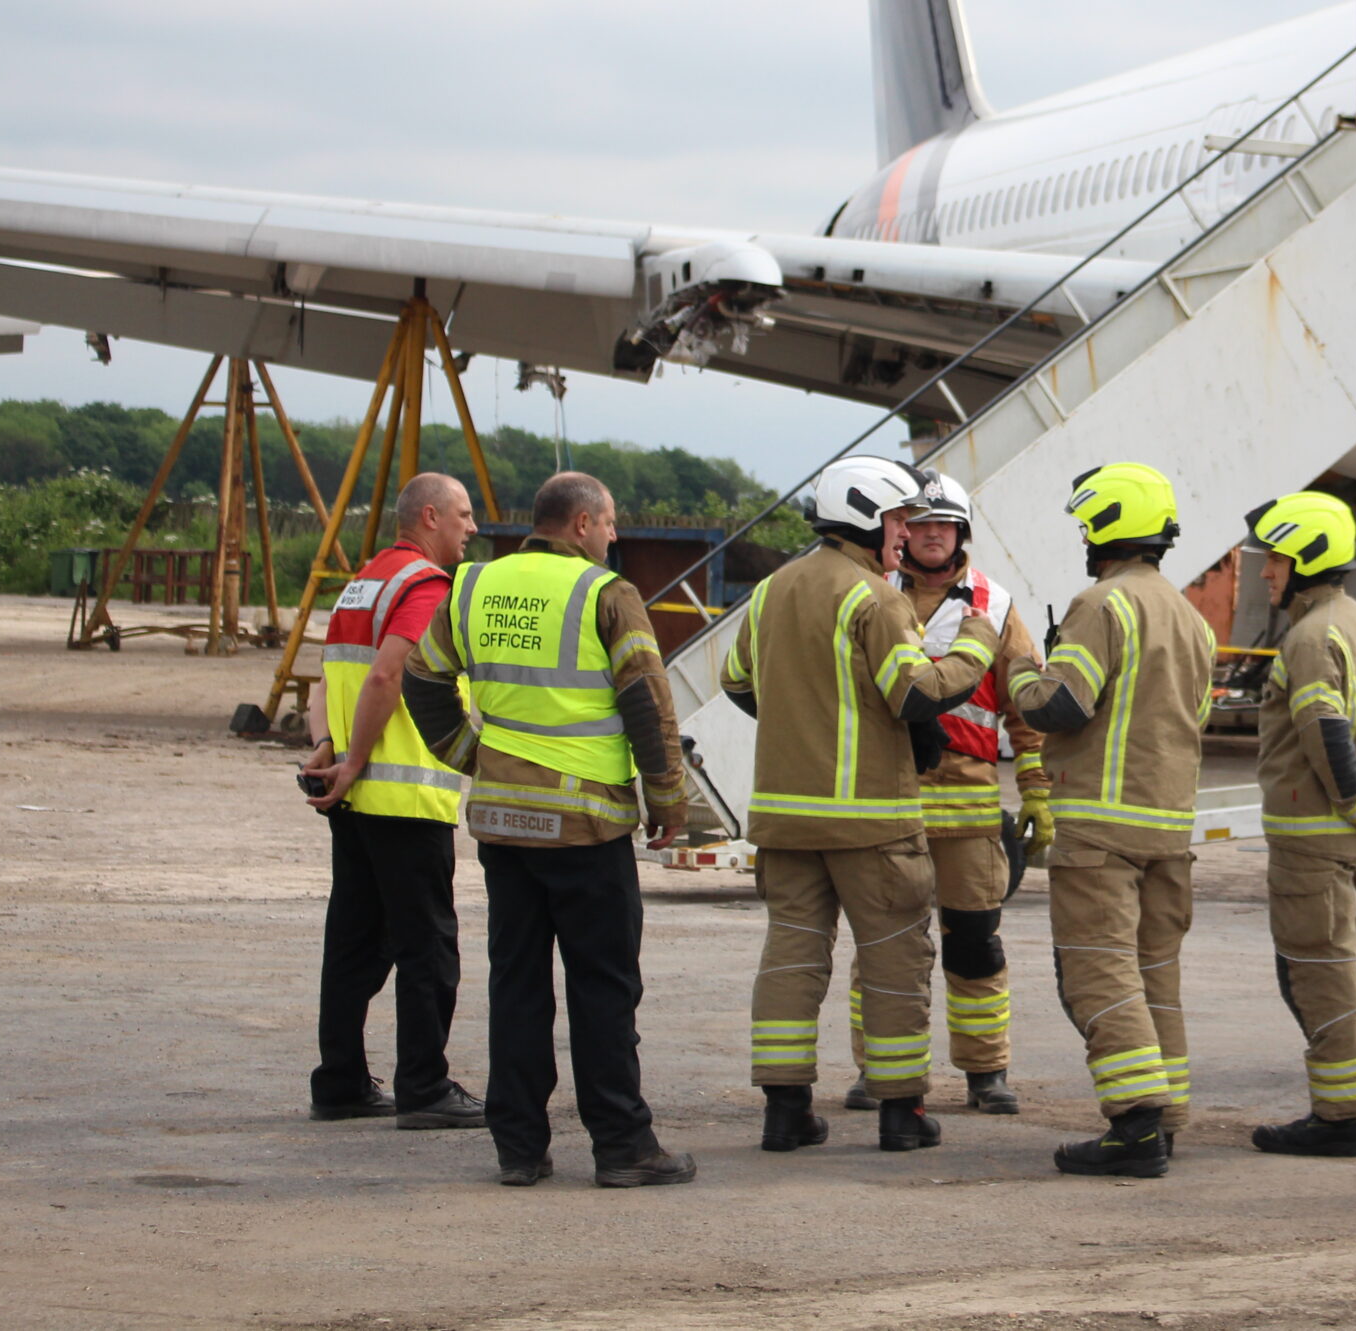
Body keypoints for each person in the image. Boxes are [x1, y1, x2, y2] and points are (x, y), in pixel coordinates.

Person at [402, 471, 696, 1188]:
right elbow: (648, 705)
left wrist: (472, 756)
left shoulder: (471, 586)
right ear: (583, 524)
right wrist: (669, 800)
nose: (615, 536)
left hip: (503, 824)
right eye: (611, 523)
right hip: (585, 828)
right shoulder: (605, 594)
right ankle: (623, 1143)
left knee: (518, 984)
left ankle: (519, 1147)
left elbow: (421, 679)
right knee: (603, 986)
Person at [718, 454, 997, 1155]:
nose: (905, 533)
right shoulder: (875, 597)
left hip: (785, 818)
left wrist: (803, 723)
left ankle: (786, 1113)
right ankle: (900, 1115)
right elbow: (915, 694)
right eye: (899, 518)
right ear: (868, 517)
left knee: (791, 957)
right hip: (871, 819)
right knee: (894, 961)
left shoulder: (772, 589)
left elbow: (736, 678)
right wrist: (975, 646)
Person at [1007, 462, 1216, 1177]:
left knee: (1100, 973)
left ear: (1104, 526)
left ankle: (1133, 1124)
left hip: (1100, 828)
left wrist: (1019, 677)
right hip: (1168, 826)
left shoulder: (1101, 604)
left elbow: (1062, 704)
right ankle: (1168, 1116)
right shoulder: (1191, 616)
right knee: (1156, 973)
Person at [835, 468, 1050, 1117]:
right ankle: (878, 1068)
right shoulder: (868, 593)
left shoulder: (995, 603)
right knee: (883, 946)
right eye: (920, 523)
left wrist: (1036, 788)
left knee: (975, 944)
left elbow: (1026, 701)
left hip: (969, 808)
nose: (931, 535)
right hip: (888, 802)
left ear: (961, 533)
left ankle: (986, 1072)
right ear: (901, 530)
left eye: (943, 525)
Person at [299, 472, 483, 1129]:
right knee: (428, 949)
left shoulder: (365, 579)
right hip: (404, 798)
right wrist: (354, 759)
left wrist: (326, 746)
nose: (471, 528)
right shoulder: (426, 586)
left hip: (352, 804)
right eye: (463, 515)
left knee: (353, 943)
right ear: (429, 517)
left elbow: (326, 678)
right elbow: (387, 671)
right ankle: (424, 1086)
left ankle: (340, 1079)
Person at [1245, 490, 1356, 1159]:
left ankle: (1342, 1114)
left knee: (1318, 972)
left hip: (1314, 841)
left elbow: (1326, 733)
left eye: (1276, 558)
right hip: (1351, 840)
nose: (1266, 571)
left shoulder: (1311, 637)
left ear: (1307, 559)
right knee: (1351, 967)